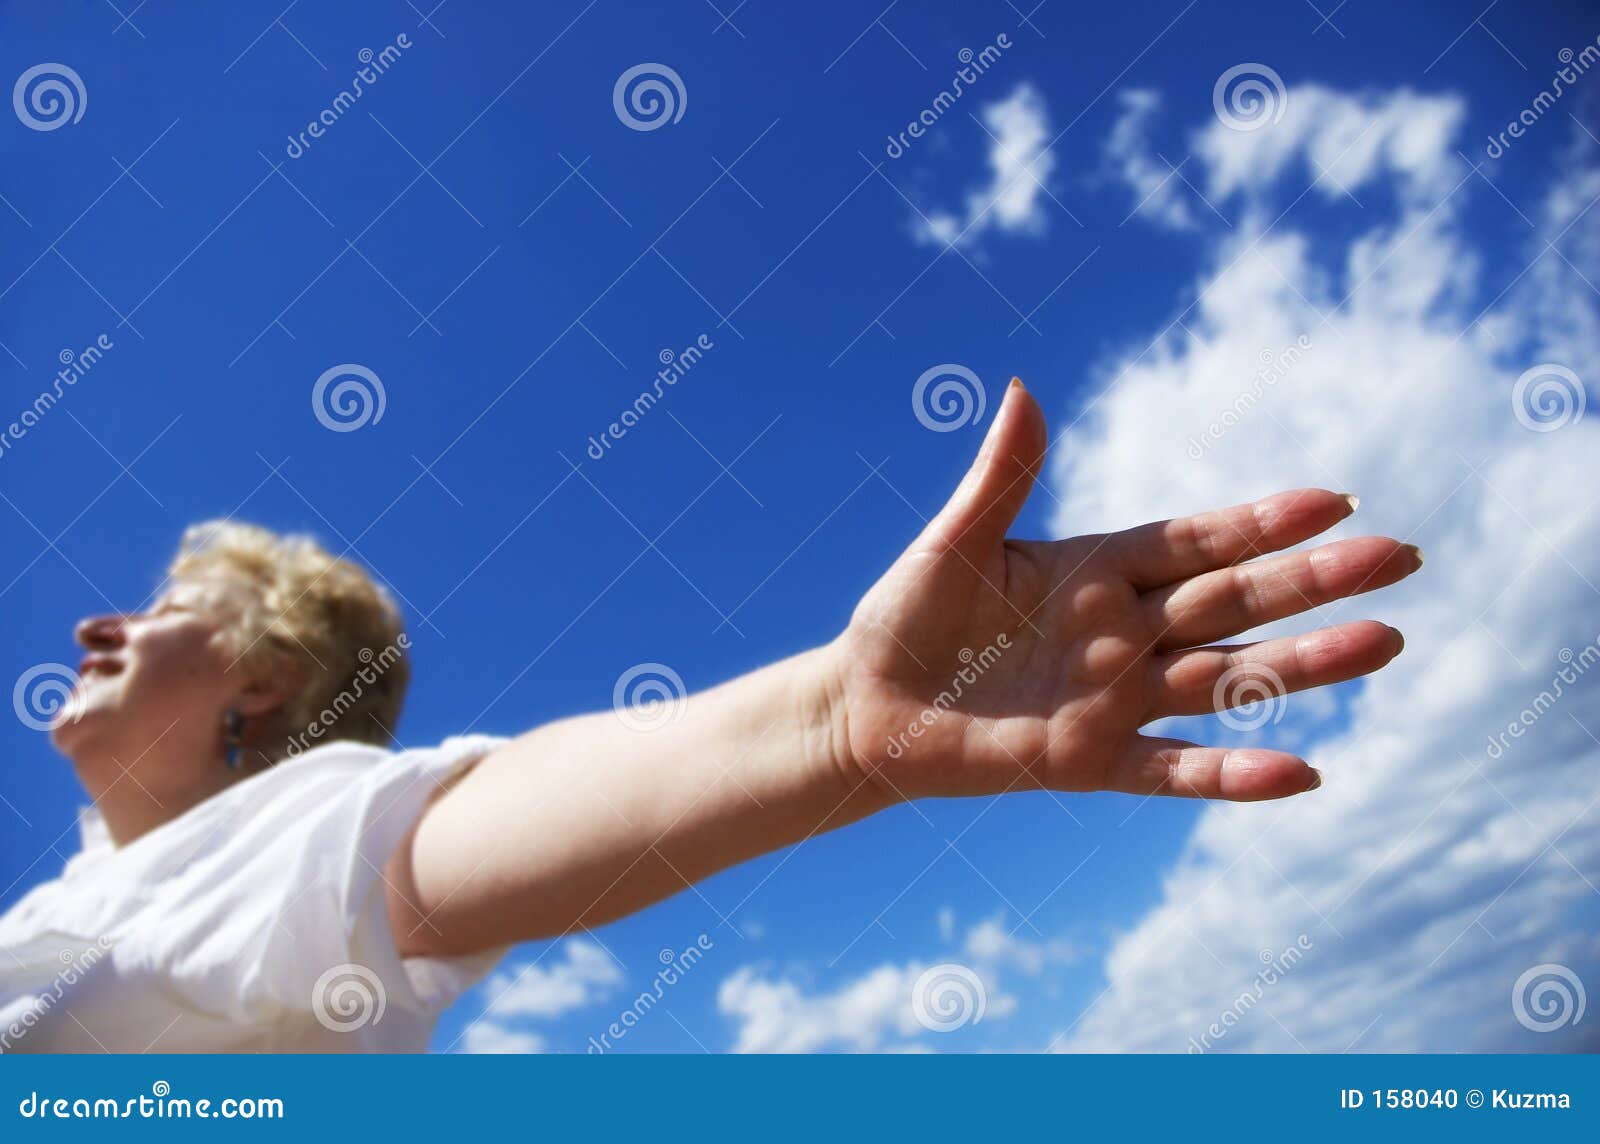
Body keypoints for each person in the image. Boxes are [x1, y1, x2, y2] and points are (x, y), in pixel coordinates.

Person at [0, 380, 1420, 1051]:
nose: (95, 625)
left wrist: (830, 724)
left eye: (165, 605)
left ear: (264, 680)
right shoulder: (67, 894)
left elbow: (450, 846)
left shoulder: (291, 838)